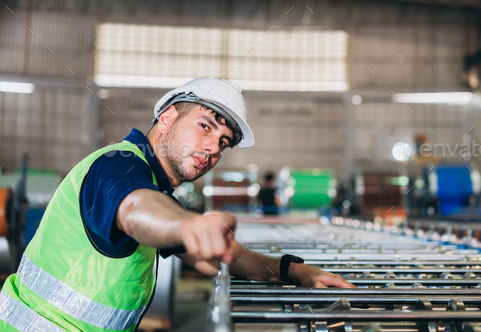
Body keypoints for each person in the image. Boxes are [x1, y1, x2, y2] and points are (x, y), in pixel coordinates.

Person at [0, 77, 354, 332]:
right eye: (205, 125)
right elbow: (137, 209)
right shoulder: (118, 166)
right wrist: (187, 226)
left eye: (223, 142)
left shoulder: (153, 184)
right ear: (167, 117)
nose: (214, 148)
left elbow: (219, 258)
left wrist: (294, 270)